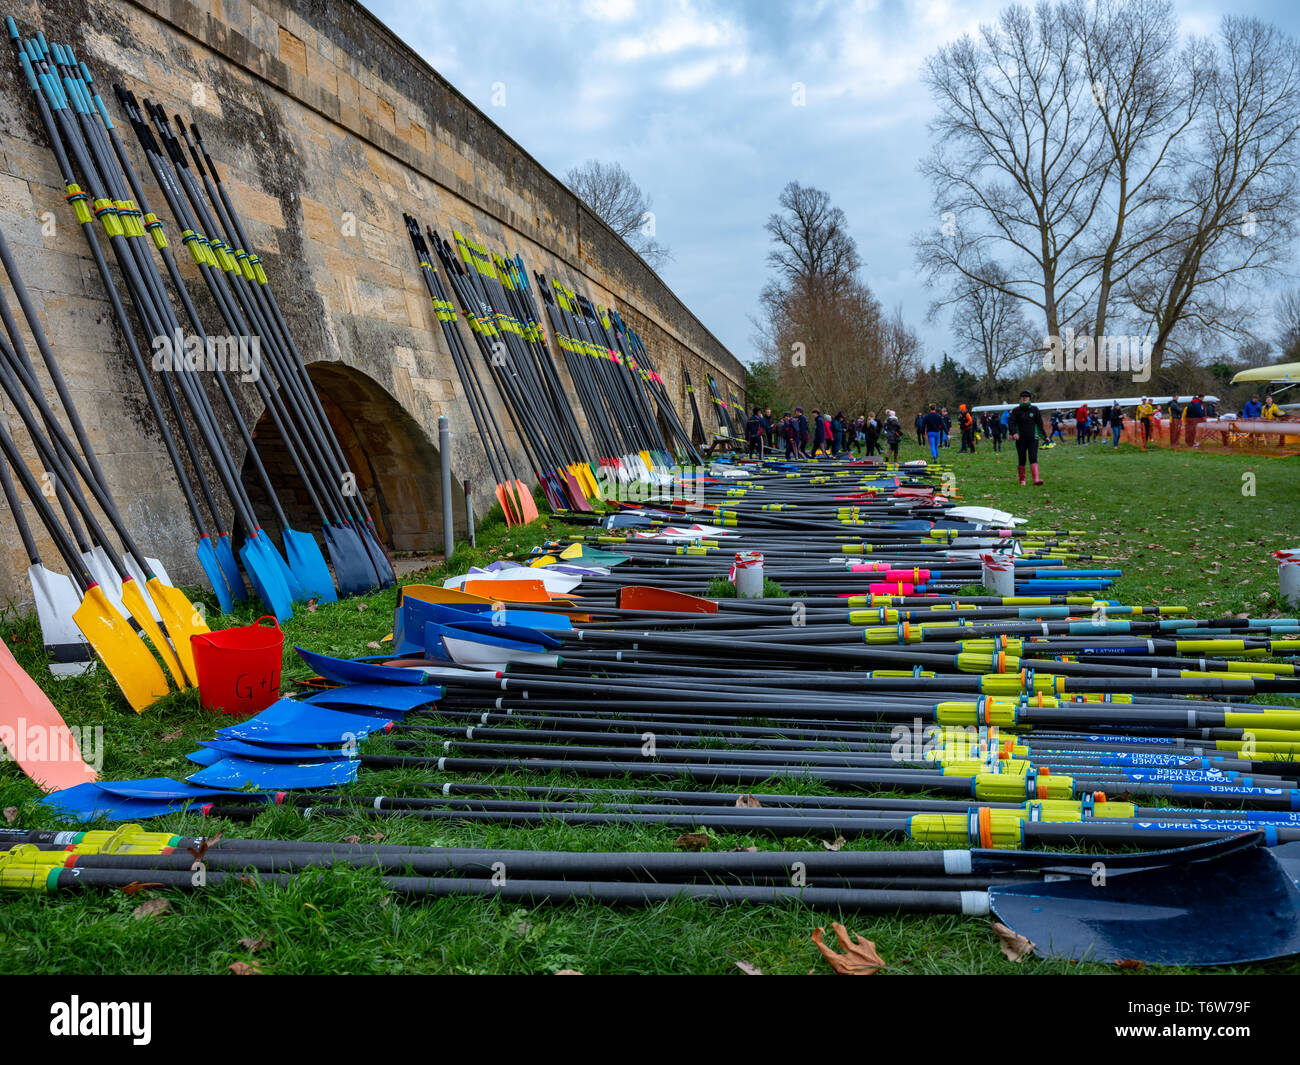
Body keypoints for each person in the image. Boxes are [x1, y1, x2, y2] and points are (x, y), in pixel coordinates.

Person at [1008, 389, 1048, 486]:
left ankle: (1036, 480)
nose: (1024, 398)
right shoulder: (1016, 410)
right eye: (1023, 397)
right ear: (1021, 399)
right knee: (1022, 459)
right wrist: (1014, 433)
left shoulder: (1035, 409)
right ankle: (1022, 481)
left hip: (1033, 438)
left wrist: (1045, 437)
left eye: (1026, 397)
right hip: (1020, 439)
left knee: (1033, 457)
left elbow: (1039, 424)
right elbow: (1011, 423)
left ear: (1029, 398)